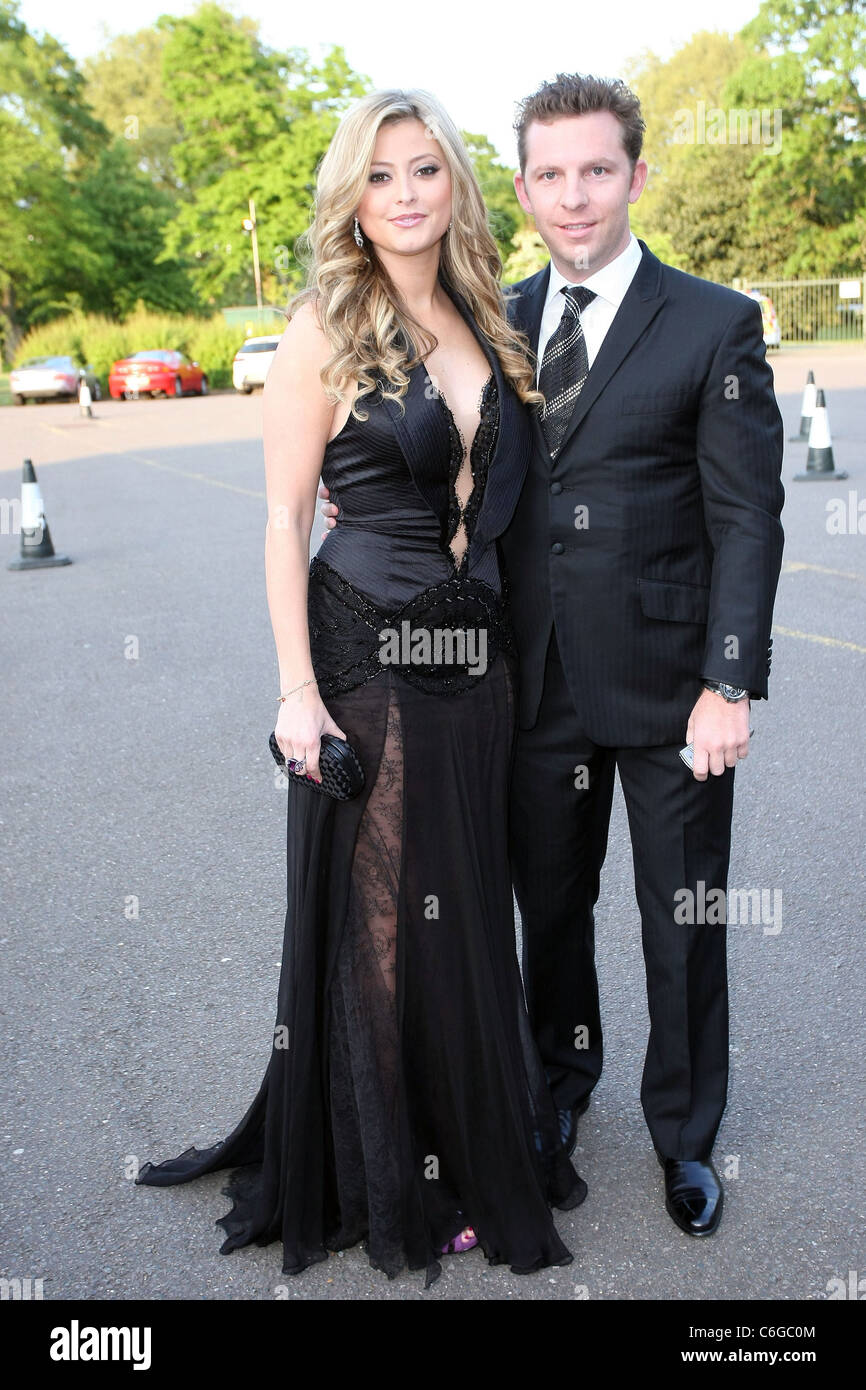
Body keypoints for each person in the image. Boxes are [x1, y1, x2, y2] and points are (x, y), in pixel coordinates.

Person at [321, 73, 785, 1240]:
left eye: (594, 170)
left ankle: (684, 1134)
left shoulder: (711, 320)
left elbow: (747, 517)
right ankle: (555, 1094)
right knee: (549, 911)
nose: (571, 197)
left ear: (635, 174)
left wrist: (727, 681)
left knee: (681, 917)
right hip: (524, 687)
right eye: (548, 174)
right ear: (520, 187)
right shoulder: (493, 319)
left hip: (674, 688)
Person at [136, 89, 586, 1290]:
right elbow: (284, 521)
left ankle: (460, 1140)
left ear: (455, 186)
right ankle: (392, 1171)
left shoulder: (484, 319)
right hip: (364, 651)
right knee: (388, 918)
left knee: (461, 915)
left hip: (471, 662)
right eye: (380, 174)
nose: (404, 193)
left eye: (425, 169)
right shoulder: (323, 328)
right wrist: (295, 692)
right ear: (354, 193)